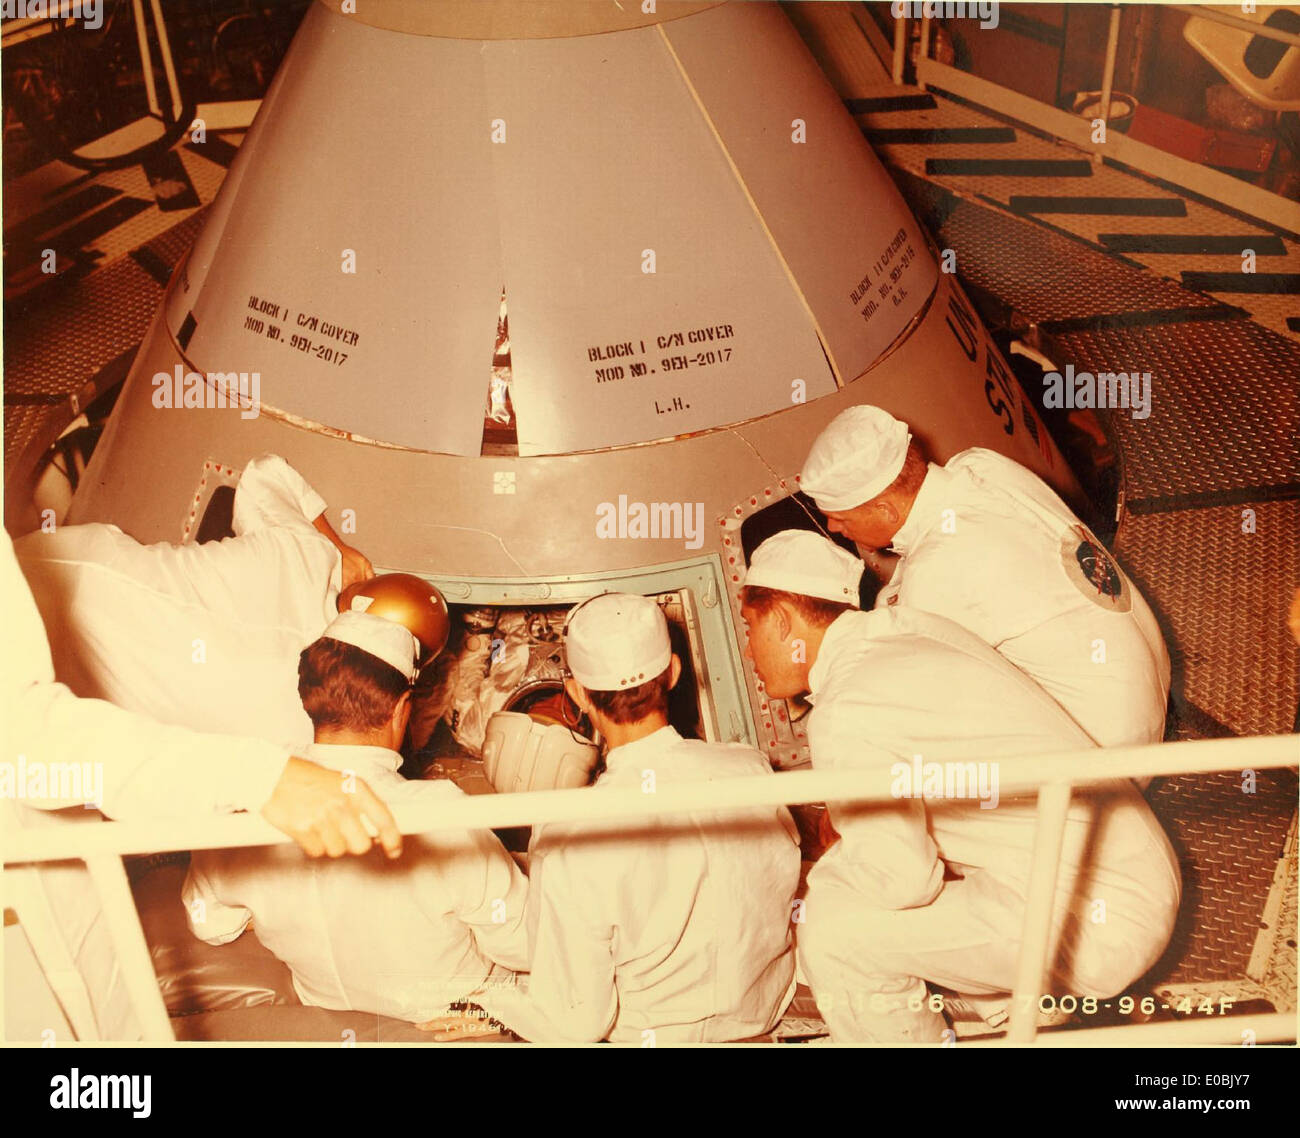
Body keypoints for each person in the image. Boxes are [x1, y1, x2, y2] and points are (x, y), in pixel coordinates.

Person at [738, 530, 1181, 1042]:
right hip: (1126, 872)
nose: (748, 650)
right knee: (882, 868)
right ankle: (1031, 1010)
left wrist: (814, 867)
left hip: (1095, 922)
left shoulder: (846, 709)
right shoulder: (910, 629)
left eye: (750, 626)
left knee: (832, 927)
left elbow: (903, 881)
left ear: (782, 620)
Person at [2, 531, 402, 1041]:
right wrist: (256, 776)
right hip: (36, 864)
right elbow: (25, 737)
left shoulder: (294, 555)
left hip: (61, 836)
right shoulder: (285, 733)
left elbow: (266, 476)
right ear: (401, 707)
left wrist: (332, 543)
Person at [471, 593, 801, 1044]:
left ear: (579, 695)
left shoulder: (569, 833)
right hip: (761, 1014)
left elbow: (575, 1024)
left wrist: (491, 1005)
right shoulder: (750, 768)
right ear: (674, 673)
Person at [183, 611, 530, 1024]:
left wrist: (286, 905)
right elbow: (524, 945)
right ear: (403, 708)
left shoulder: (244, 814)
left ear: (311, 703)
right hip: (458, 1012)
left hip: (325, 1001)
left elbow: (208, 923)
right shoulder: (442, 813)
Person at [799, 405, 1171, 747]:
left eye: (842, 518)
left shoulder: (937, 572)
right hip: (1146, 696)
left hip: (1107, 750)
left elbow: (917, 703)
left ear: (884, 508)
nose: (833, 527)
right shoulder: (982, 466)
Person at [14, 453, 371, 747]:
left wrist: (337, 548)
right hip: (72, 663)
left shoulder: (301, 552)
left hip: (66, 566)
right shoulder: (298, 727)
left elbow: (266, 473)